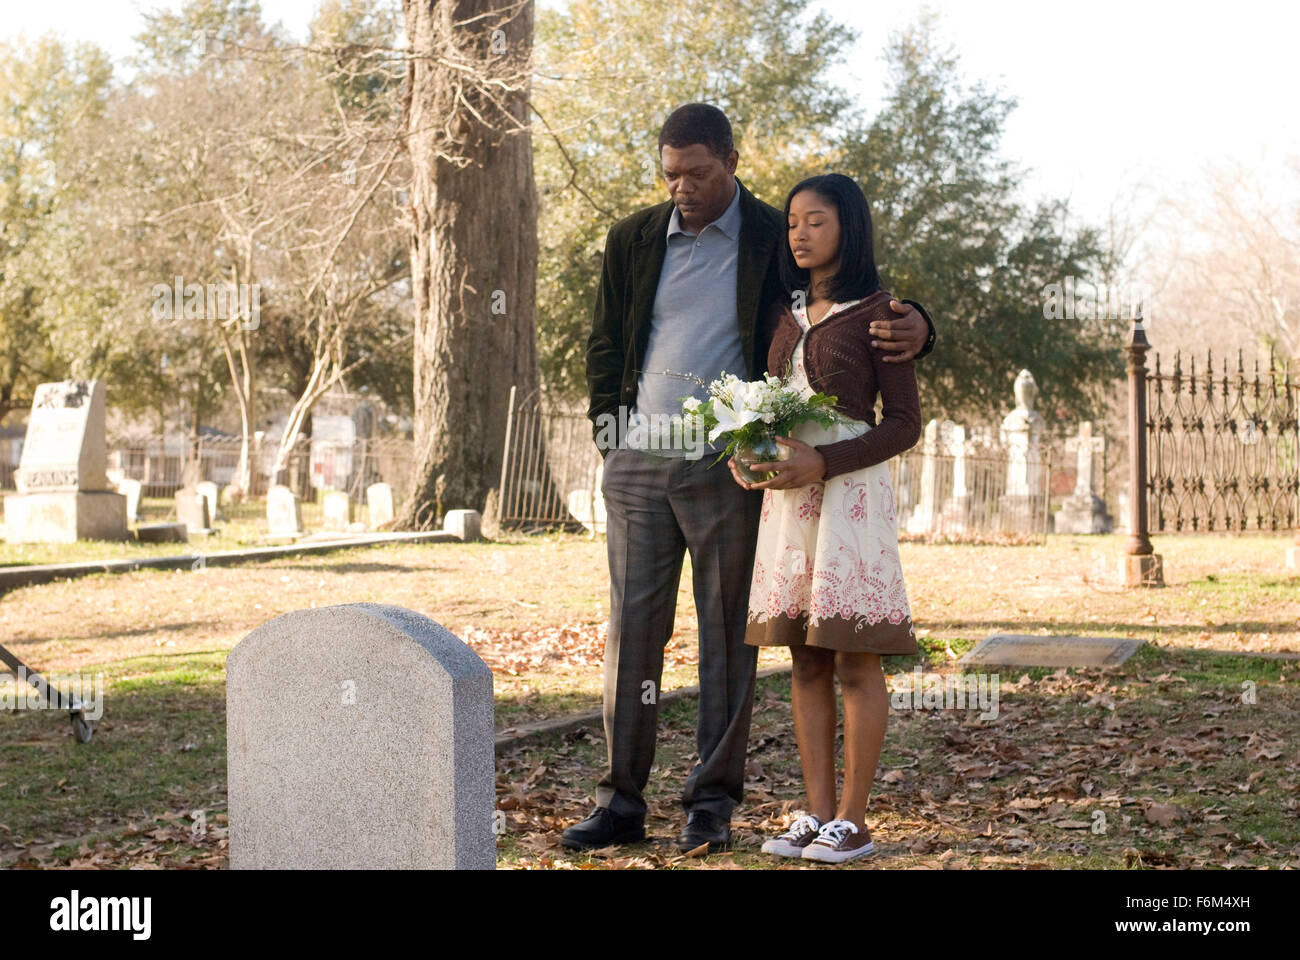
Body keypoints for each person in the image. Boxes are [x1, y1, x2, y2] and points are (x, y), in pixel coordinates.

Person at [566, 104, 936, 854]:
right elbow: (605, 342)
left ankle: (710, 803)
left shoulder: (773, 235)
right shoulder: (632, 239)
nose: (683, 188)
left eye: (699, 173)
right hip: (640, 463)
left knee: (728, 638)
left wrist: (921, 323)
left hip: (727, 468)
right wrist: (612, 437)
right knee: (631, 635)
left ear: (731, 160)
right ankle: (620, 803)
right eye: (671, 175)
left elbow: (846, 294)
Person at [734, 173, 921, 863]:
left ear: (849, 227)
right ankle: (814, 812)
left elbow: (904, 424)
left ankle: (853, 819)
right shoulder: (785, 317)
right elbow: (768, 406)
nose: (800, 233)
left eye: (816, 220)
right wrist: (746, 450)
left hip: (851, 501)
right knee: (804, 659)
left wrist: (825, 463)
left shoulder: (882, 313)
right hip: (790, 503)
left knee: (853, 655)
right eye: (792, 222)